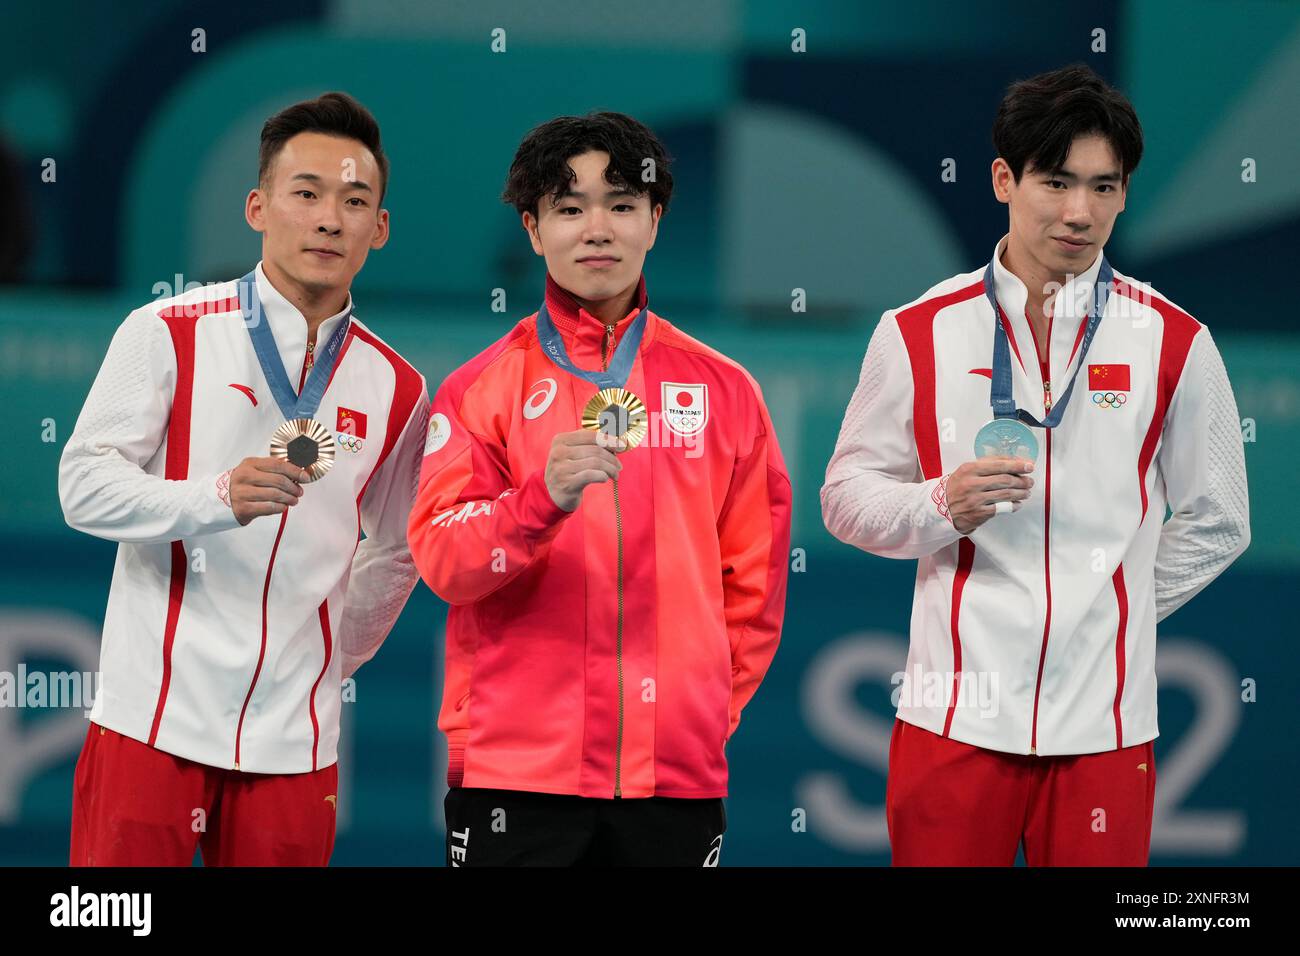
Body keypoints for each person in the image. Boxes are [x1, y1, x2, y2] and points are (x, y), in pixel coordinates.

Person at [821, 64, 1250, 866]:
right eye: (1055, 182)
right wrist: (938, 505)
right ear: (1003, 180)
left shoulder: (1177, 341)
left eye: (1104, 186)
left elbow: (1221, 518)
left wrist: (1105, 613)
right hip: (954, 717)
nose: (1080, 212)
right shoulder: (918, 332)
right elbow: (845, 498)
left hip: (1106, 729)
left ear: (1125, 194)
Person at [408, 111, 791, 866]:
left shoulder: (727, 390)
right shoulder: (480, 389)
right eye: (569, 208)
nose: (598, 229)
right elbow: (444, 563)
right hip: (515, 777)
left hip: (674, 781)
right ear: (532, 228)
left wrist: (700, 714)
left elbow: (753, 587)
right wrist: (535, 505)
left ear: (655, 219)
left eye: (621, 205)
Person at [59, 92, 428, 866]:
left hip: (297, 740)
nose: (329, 218)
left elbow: (396, 551)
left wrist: (325, 657)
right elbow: (83, 486)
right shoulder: (167, 330)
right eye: (307, 193)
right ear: (259, 207)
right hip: (152, 721)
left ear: (380, 229)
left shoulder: (399, 387)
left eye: (355, 201)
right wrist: (214, 498)